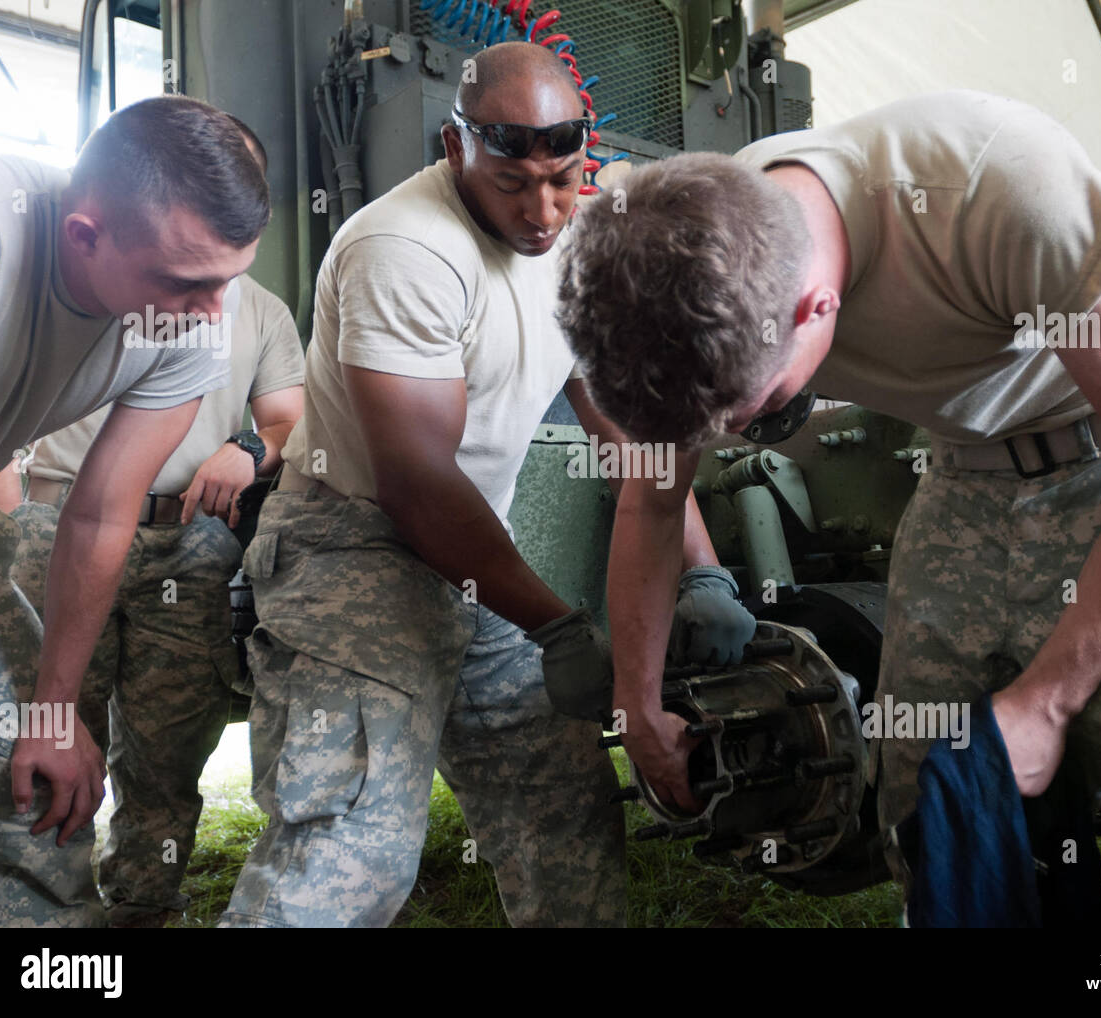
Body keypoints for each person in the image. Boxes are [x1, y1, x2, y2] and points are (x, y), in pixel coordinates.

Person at [557, 89, 1101, 927]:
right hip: (962, 481)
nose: (716, 438)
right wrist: (640, 706)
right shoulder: (687, 269)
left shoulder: (996, 190)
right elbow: (652, 500)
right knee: (926, 796)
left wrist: (1047, 700)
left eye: (743, 415)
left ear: (817, 308)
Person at [218, 40, 754, 928]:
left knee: (566, 816)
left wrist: (697, 566)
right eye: (513, 184)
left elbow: (623, 427)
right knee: (351, 860)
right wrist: (558, 625)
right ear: (454, 145)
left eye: (565, 178)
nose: (545, 211)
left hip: (482, 557)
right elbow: (419, 485)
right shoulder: (402, 248)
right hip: (353, 551)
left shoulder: (577, 241)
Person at [0, 94, 269, 926]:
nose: (213, 315)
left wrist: (55, 712)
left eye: (229, 280)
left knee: (17, 752)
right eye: (187, 284)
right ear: (83, 236)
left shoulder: (200, 305)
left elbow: (103, 512)